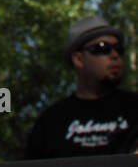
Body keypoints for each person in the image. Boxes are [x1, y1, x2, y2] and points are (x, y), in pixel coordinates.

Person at [26, 14, 138, 158]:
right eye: (103, 48)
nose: (115, 55)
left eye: (118, 48)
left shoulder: (134, 107)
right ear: (78, 59)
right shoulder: (51, 122)